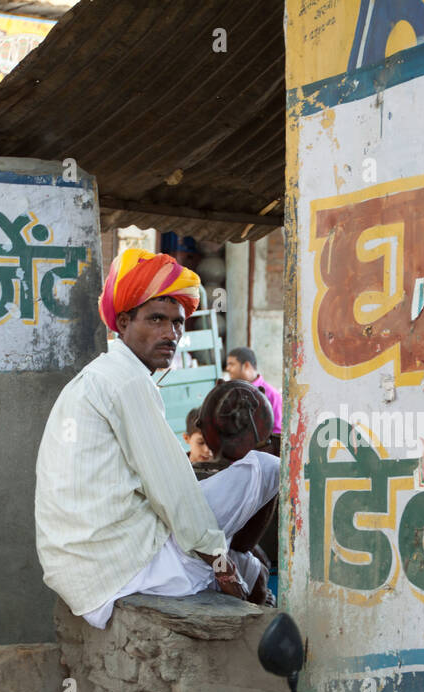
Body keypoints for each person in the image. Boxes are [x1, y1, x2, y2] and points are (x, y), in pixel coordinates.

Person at [35, 250, 278, 630]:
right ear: (124, 322)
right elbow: (173, 490)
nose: (171, 333)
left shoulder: (105, 374)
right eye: (156, 319)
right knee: (267, 467)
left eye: (177, 323)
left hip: (85, 569)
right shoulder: (127, 381)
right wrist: (220, 563)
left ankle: (240, 563)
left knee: (246, 560)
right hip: (122, 567)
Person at [225, 347, 282, 437]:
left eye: (231, 364)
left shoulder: (273, 395)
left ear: (246, 365)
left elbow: (277, 432)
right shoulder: (229, 392)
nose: (227, 368)